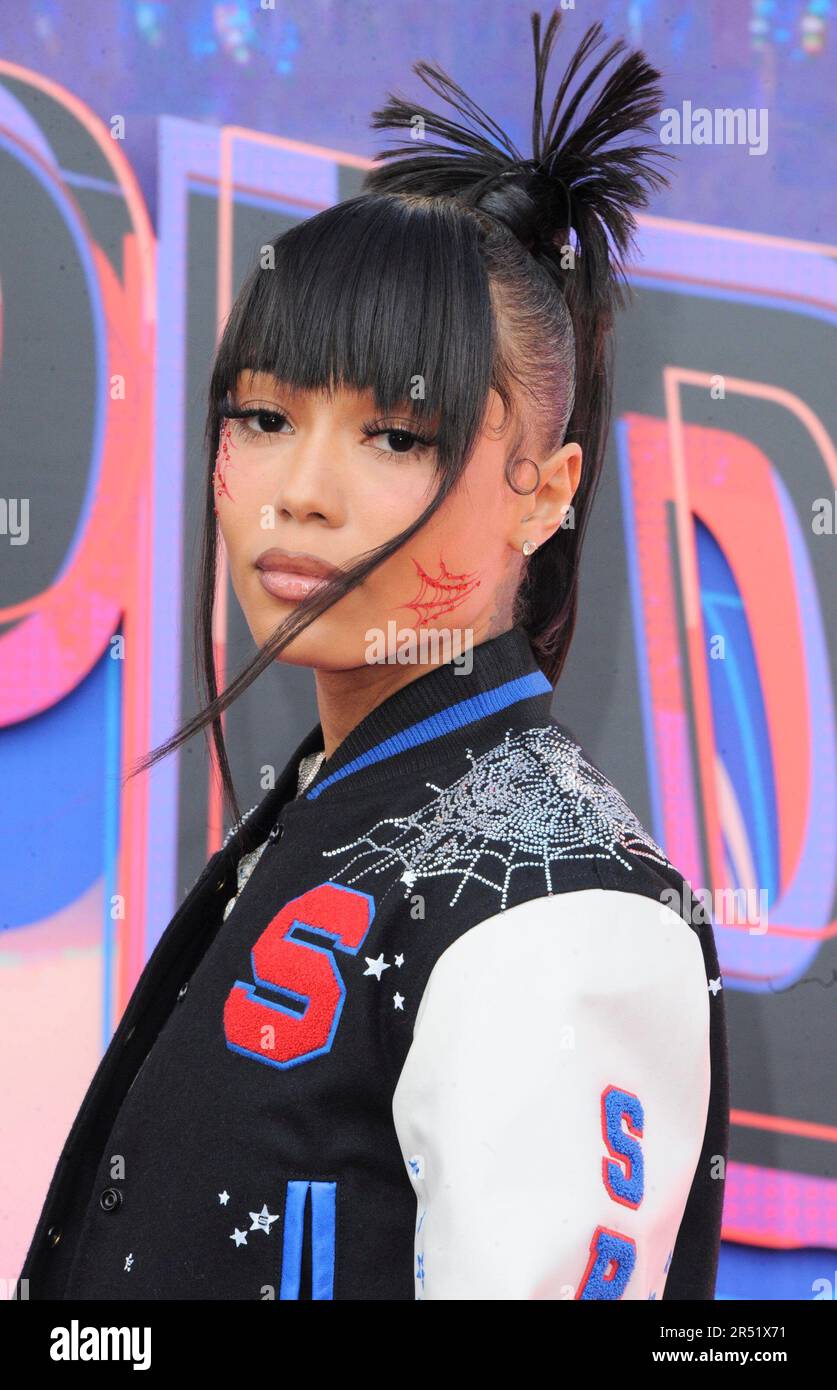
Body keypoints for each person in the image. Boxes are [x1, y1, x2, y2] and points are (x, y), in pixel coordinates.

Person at [17, 9, 728, 1300]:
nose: (300, 490)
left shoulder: (560, 903)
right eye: (266, 415)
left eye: (395, 434)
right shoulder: (329, 812)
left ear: (541, 489)